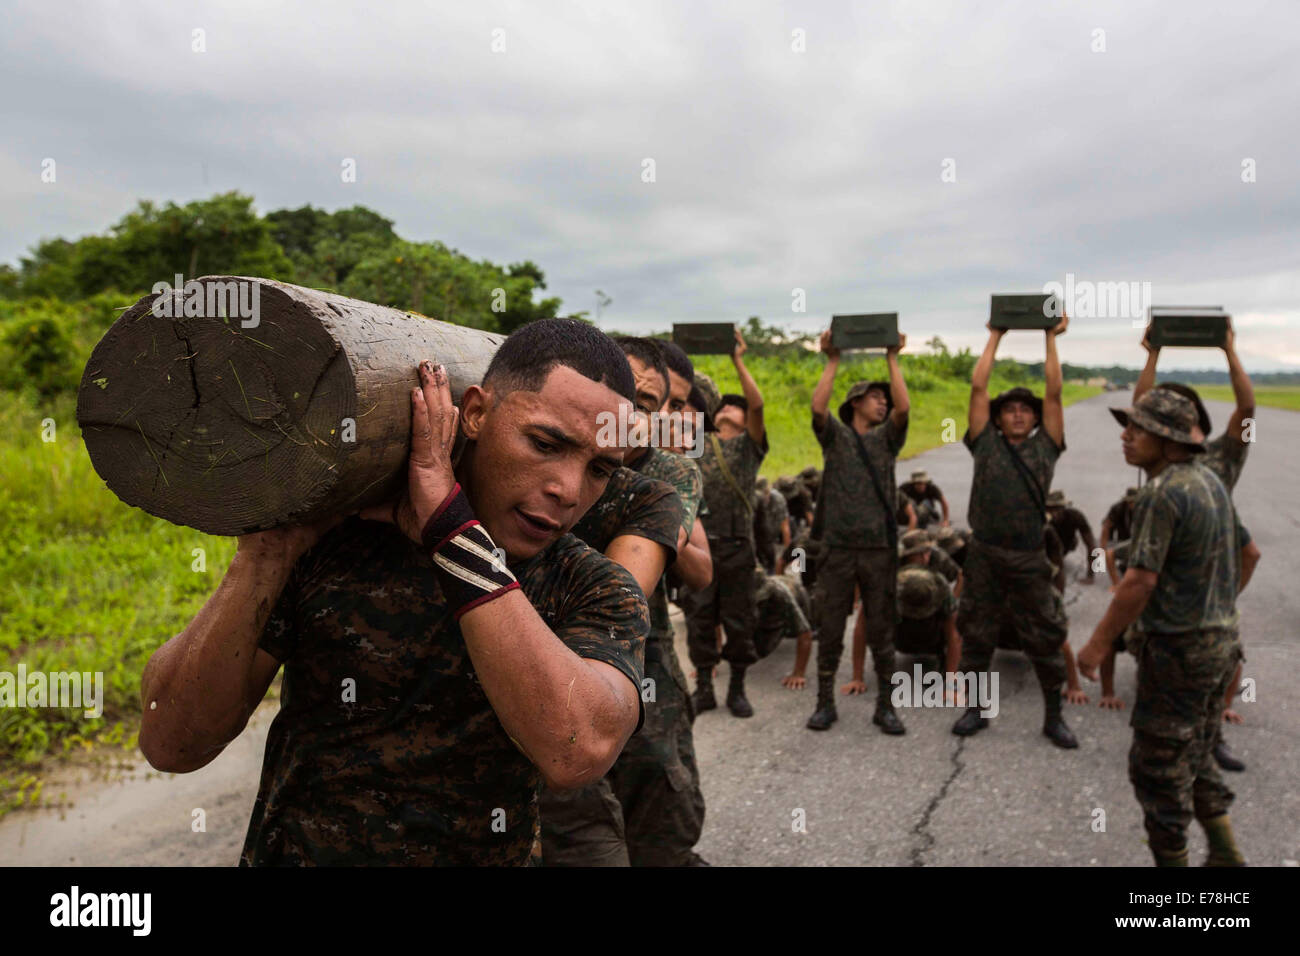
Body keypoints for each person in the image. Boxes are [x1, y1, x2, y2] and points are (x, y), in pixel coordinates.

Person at [139, 319, 649, 866]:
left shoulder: (592, 586)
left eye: (599, 469)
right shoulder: (339, 545)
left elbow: (578, 749)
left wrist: (450, 534)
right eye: (545, 443)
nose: (568, 491)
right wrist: (267, 553)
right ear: (475, 413)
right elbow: (173, 742)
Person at [540, 336, 710, 867]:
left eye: (654, 405)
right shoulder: (558, 449)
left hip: (638, 651)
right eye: (627, 395)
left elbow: (638, 591)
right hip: (542, 648)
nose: (635, 414)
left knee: (659, 789)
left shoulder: (669, 475)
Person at [1076, 389, 1259, 866]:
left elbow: (1139, 581)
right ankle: (1224, 853)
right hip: (1221, 647)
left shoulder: (1161, 492)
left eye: (1137, 429)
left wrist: (1097, 645)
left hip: (1179, 654)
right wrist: (1216, 604)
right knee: (1196, 753)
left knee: (1157, 771)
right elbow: (1250, 553)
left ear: (1168, 439)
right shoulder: (1211, 482)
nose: (1126, 436)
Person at [1128, 318, 1258, 773]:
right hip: (1172, 555)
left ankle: (1212, 736)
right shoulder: (1162, 458)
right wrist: (1152, 354)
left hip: (1214, 558)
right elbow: (1140, 407)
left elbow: (1246, 411)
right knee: (1162, 652)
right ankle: (1164, 738)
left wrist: (1229, 351)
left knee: (1224, 655)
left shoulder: (1223, 455)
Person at [951, 314, 1078, 749]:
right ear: (999, 418)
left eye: (1026, 409)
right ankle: (975, 709)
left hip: (1028, 555)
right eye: (1010, 409)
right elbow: (978, 388)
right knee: (976, 633)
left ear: (1036, 419)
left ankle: (1054, 715)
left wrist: (1049, 338)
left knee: (1044, 633)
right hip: (984, 552)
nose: (1018, 413)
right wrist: (994, 336)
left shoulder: (1047, 446)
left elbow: (1055, 392)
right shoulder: (984, 441)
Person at [806, 327, 911, 734]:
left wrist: (893, 357)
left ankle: (886, 705)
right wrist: (833, 358)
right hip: (836, 548)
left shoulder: (888, 439)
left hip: (879, 549)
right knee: (830, 627)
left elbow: (903, 409)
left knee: (883, 629)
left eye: (883, 397)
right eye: (874, 396)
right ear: (853, 404)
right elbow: (818, 408)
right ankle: (824, 703)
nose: (883, 401)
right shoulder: (836, 437)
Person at [683, 330, 768, 718]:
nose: (733, 409)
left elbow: (758, 405)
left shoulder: (748, 448)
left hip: (737, 547)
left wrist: (737, 359)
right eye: (726, 406)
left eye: (739, 407)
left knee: (740, 620)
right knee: (699, 618)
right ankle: (704, 687)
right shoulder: (699, 443)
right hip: (702, 544)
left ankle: (737, 687)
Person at [1045, 490, 1099, 584]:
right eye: (1050, 509)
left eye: (1057, 509)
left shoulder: (1075, 516)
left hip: (1065, 545)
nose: (1054, 513)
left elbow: (1091, 545)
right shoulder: (1040, 518)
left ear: (1063, 508)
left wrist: (1090, 576)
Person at [1100, 487, 1139, 587]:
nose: (1132, 504)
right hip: (1122, 539)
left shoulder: (1146, 508)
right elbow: (1106, 527)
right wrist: (1102, 550)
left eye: (1134, 501)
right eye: (1129, 502)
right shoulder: (1118, 508)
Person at [753, 476, 791, 573]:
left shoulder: (778, 499)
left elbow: (785, 526)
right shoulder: (752, 500)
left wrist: (788, 554)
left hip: (772, 533)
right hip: (757, 533)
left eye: (765, 495)